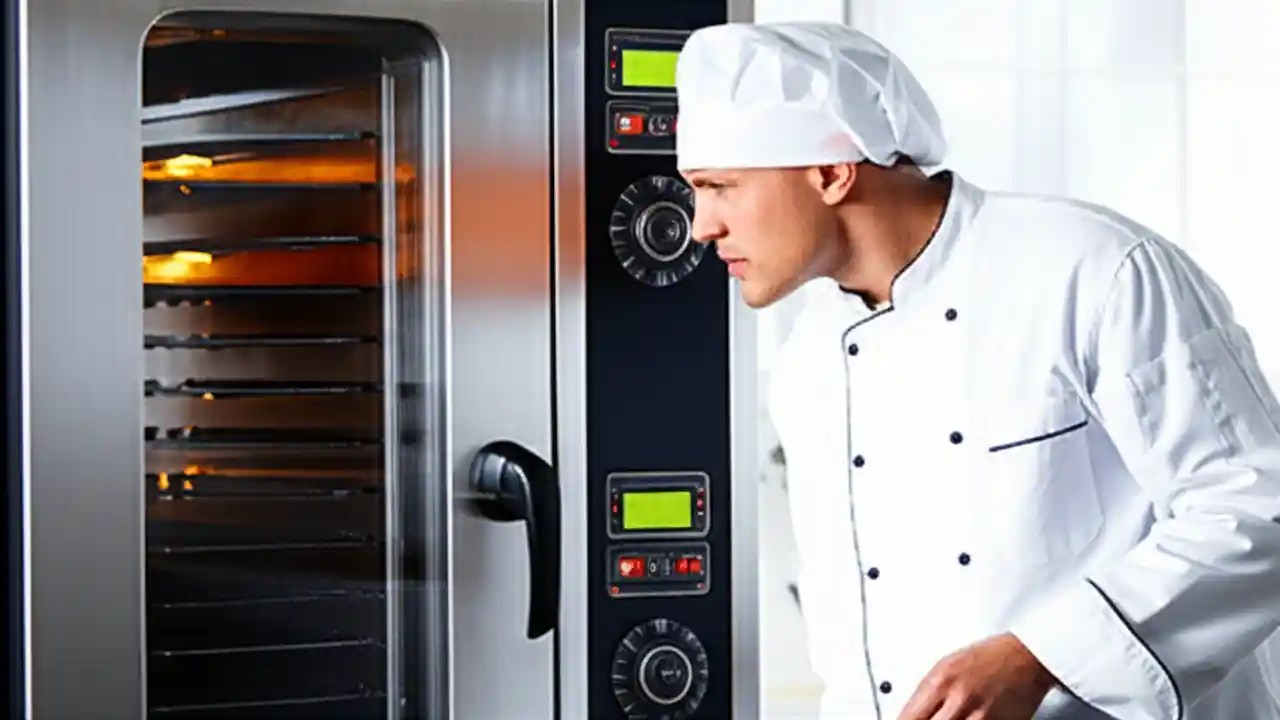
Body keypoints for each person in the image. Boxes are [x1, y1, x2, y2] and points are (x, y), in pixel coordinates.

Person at [674, 21, 1280, 720]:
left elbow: (1255, 504)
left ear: (832, 171)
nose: (700, 226)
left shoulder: (1091, 269)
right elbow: (853, 647)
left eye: (719, 186)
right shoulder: (808, 356)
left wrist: (1040, 656)